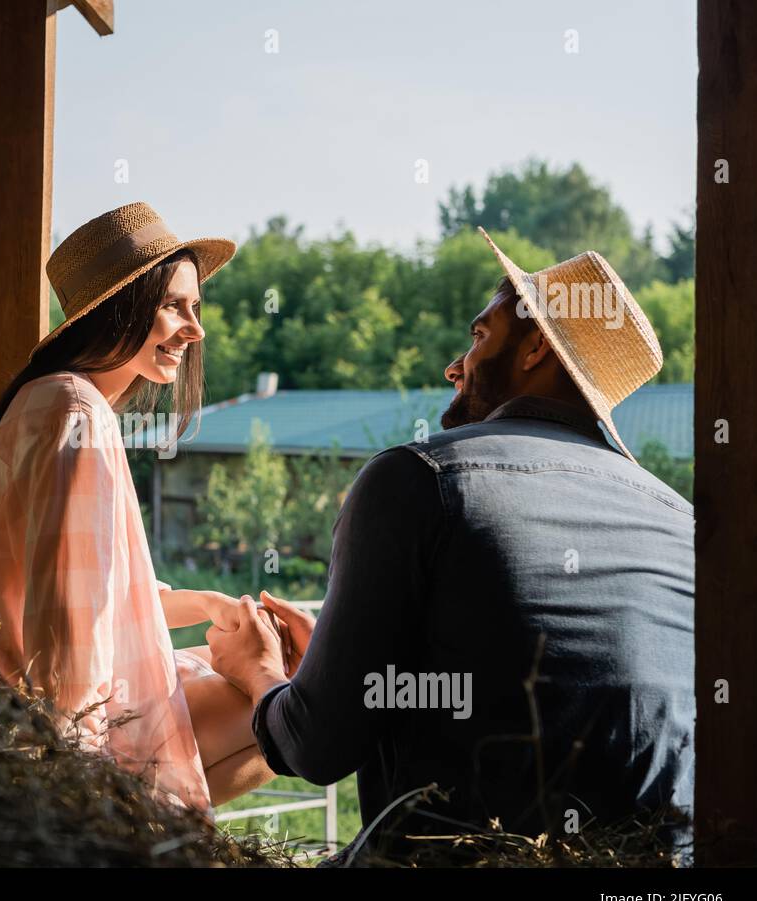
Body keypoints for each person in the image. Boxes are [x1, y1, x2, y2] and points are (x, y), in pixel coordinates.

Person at [207, 228, 695, 862]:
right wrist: (340, 653)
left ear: (536, 350)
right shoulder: (682, 524)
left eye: (479, 335)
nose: (455, 366)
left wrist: (260, 671)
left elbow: (316, 745)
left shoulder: (417, 480)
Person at [0, 202, 282, 814]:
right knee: (281, 708)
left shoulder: (51, 399)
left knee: (256, 664)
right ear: (119, 309)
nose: (195, 328)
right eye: (174, 305)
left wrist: (207, 605)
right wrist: (75, 772)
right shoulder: (78, 415)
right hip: (38, 729)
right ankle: (135, 827)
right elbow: (67, 618)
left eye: (195, 307)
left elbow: (97, 593)